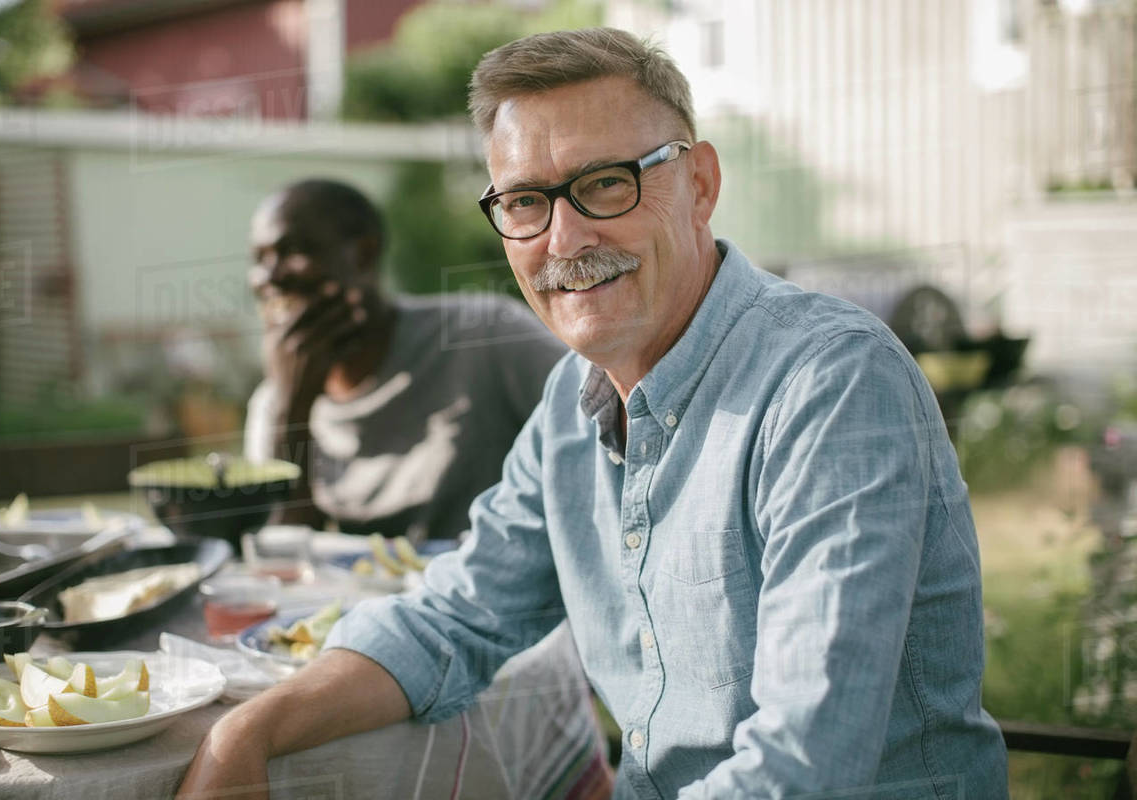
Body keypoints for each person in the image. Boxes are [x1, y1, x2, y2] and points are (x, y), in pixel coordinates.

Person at [181, 28, 1009, 799]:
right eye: (524, 202)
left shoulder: (830, 384)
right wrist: (248, 732)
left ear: (701, 185)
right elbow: (454, 619)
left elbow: (804, 763)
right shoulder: (571, 401)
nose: (564, 239)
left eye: (605, 183)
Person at [243, 178, 566, 541]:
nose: (271, 277)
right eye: (260, 259)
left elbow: (596, 431)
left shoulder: (484, 335)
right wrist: (293, 409)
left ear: (364, 254)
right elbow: (284, 557)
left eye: (295, 251)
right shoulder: (273, 407)